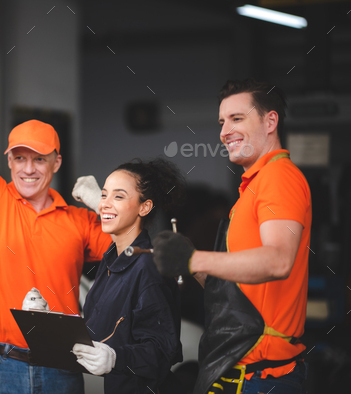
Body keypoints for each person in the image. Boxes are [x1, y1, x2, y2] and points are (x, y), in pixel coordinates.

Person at [0, 25, 112, 393]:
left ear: (57, 163)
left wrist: (103, 201)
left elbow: (135, 247)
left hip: (61, 364)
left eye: (39, 159)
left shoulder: (80, 220)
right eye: (19, 158)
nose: (28, 168)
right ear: (8, 162)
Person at [152, 79, 311, 394]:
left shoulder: (278, 177)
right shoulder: (250, 189)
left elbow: (279, 260)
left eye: (237, 118)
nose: (224, 131)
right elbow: (230, 291)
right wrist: (188, 262)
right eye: (222, 122)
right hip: (238, 372)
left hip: (263, 379)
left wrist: (195, 257)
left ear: (270, 121)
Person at [71, 159, 184, 394]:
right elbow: (99, 328)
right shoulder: (113, 261)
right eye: (103, 195)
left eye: (119, 196)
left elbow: (162, 350)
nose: (104, 204)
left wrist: (115, 358)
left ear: (144, 207)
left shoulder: (147, 267)